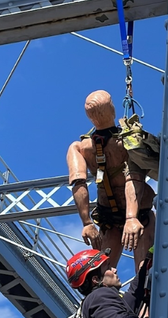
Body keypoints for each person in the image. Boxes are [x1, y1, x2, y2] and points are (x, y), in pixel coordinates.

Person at [67, 90, 156, 273]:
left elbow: (78, 183)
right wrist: (131, 217)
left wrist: (87, 223)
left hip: (110, 215)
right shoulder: (128, 140)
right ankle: (143, 299)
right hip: (139, 215)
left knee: (103, 271)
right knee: (143, 271)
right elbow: (134, 178)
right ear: (113, 111)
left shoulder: (79, 147)